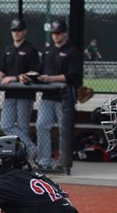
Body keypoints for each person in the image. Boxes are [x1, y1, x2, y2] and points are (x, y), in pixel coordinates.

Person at [34, 20, 82, 170]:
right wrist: (31, 76)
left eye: (58, 33)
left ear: (65, 33)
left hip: (65, 98)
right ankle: (44, 162)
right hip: (48, 96)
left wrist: (50, 79)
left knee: (64, 129)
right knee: (41, 125)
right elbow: (40, 70)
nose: (56, 36)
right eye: (54, 33)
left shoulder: (72, 51)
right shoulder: (48, 51)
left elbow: (72, 76)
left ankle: (63, 162)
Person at [0, 18, 40, 160]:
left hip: (25, 94)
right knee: (6, 125)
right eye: (14, 30)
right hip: (10, 94)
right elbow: (2, 72)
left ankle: (24, 157)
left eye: (19, 30)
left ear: (24, 31)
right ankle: (30, 148)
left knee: (23, 127)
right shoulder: (8, 50)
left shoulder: (30, 49)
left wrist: (14, 78)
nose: (16, 33)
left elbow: (34, 72)